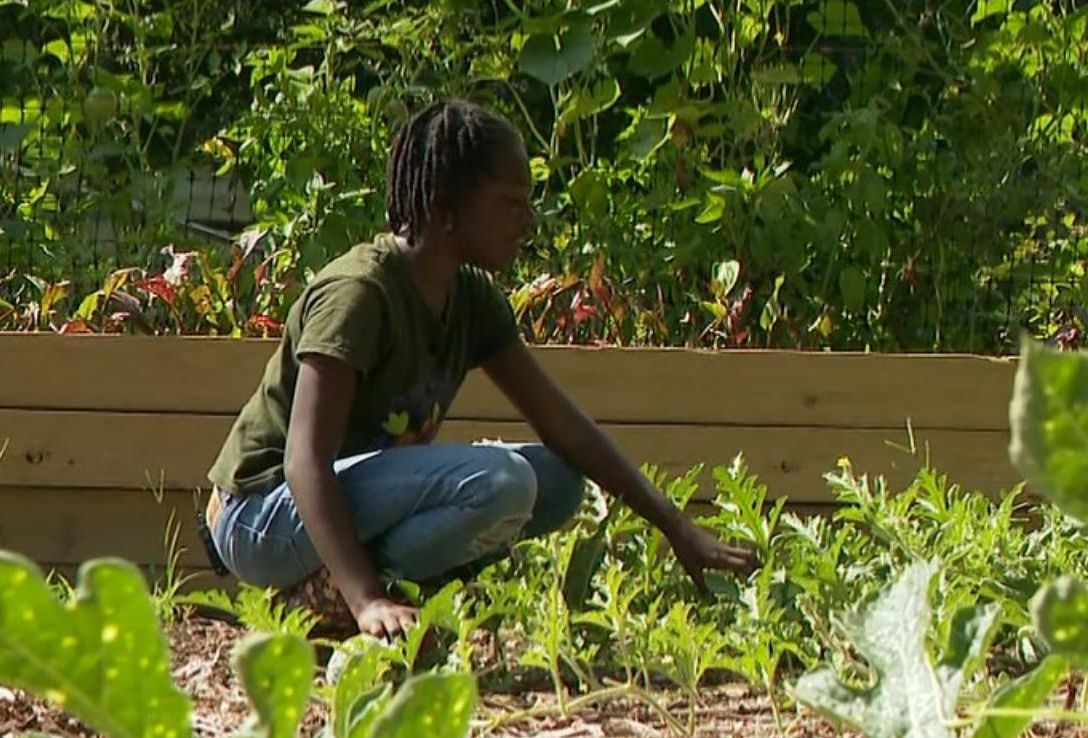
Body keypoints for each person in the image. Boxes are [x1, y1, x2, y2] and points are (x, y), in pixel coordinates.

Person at [202, 98, 755, 639]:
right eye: (511, 203)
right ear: (447, 207)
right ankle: (341, 598)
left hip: (343, 504)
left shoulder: (471, 300)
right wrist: (363, 595)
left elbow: (562, 425)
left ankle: (358, 592)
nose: (528, 221)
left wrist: (676, 526)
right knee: (503, 482)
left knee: (557, 482)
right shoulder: (359, 294)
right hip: (263, 515)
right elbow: (303, 463)